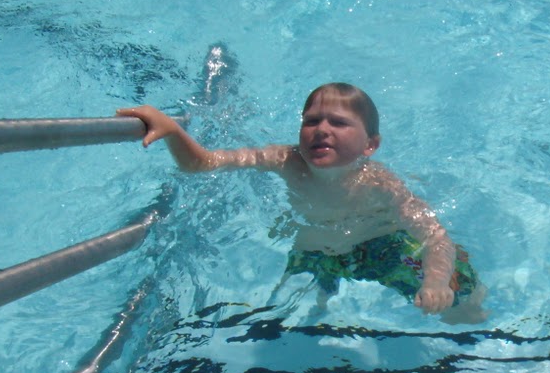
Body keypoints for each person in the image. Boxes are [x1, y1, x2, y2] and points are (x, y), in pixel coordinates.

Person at [118, 84, 485, 320]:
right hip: (317, 247)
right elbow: (204, 163)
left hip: (381, 246)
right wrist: (173, 131)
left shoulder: (380, 184)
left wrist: (436, 282)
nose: (321, 129)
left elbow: (435, 237)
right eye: (311, 121)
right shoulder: (284, 160)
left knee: (461, 301)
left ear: (370, 145)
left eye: (338, 123)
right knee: (287, 313)